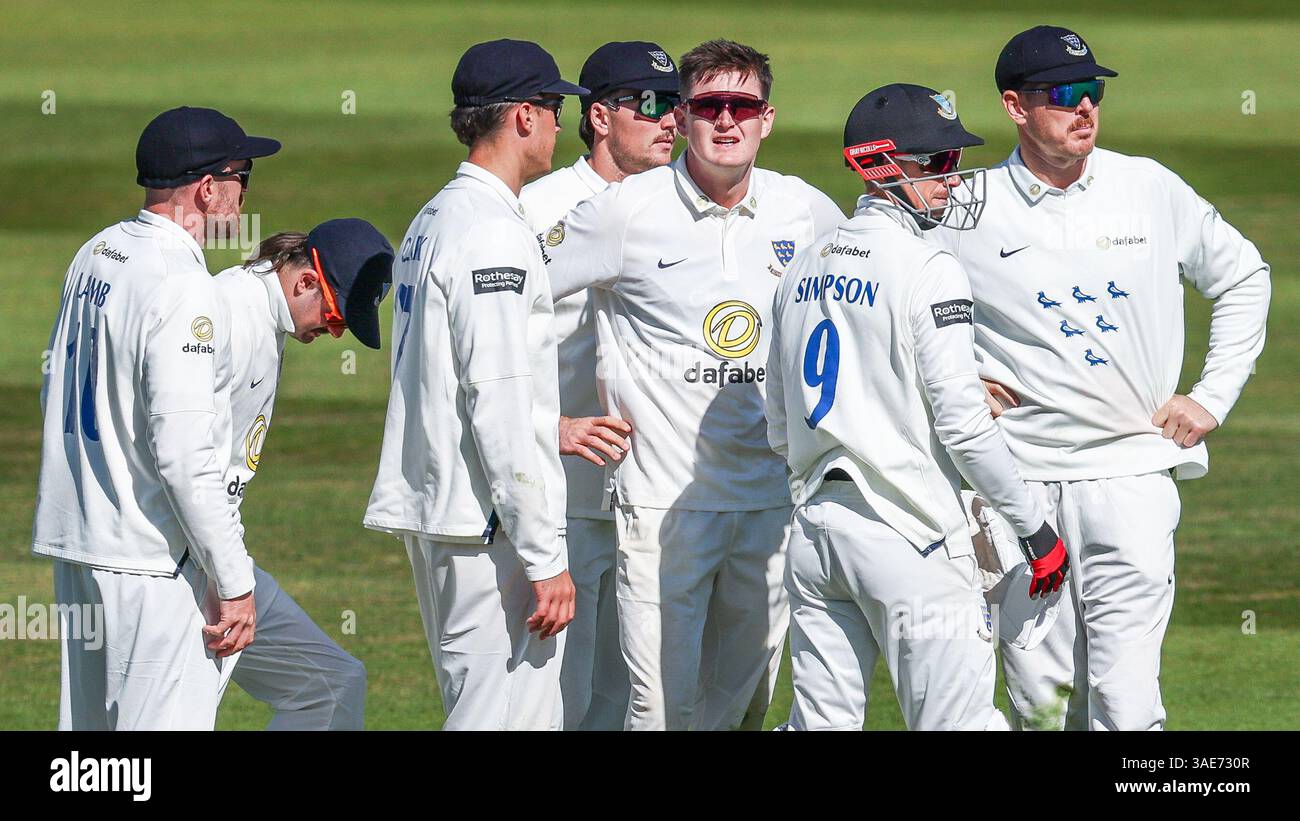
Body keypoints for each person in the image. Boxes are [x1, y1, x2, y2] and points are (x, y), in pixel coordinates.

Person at [934, 26, 1271, 731]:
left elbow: (1243, 277)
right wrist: (955, 376)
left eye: (1092, 92)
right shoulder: (965, 204)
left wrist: (1211, 397)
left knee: (1126, 701)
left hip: (1132, 478)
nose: (1084, 108)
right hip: (1015, 487)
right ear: (1015, 107)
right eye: (1062, 94)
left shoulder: (1147, 186)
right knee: (1041, 702)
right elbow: (888, 301)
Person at [543, 39, 844, 730]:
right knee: (662, 711)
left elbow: (871, 303)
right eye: (711, 106)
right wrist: (544, 418)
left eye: (744, 106)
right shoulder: (626, 211)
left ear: (768, 118)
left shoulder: (805, 211)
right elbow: (510, 300)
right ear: (683, 117)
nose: (728, 121)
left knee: (744, 707)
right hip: (661, 508)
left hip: (771, 503)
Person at [765, 83, 1068, 731]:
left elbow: (778, 424)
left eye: (953, 162)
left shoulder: (799, 269)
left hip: (815, 536)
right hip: (911, 536)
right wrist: (1036, 528)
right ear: (880, 166)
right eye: (936, 165)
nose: (952, 180)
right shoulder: (928, 267)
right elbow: (964, 423)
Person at [32, 106, 280, 729]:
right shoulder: (183, 284)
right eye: (243, 174)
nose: (246, 191)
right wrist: (234, 579)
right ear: (207, 187)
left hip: (78, 541)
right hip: (147, 560)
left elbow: (52, 387)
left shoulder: (97, 252)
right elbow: (185, 454)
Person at [364, 39, 586, 730]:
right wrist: (545, 554)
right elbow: (498, 399)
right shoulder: (491, 232)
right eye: (552, 107)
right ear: (522, 116)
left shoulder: (435, 215)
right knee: (503, 717)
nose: (559, 124)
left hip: (447, 510)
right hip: (485, 525)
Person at [519, 41, 679, 730]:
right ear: (600, 116)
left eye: (677, 104)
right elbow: (482, 342)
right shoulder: (536, 207)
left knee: (633, 701)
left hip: (657, 498)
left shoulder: (684, 207)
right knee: (557, 700)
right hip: (564, 499)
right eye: (650, 105)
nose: (669, 120)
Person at [213, 219, 393, 729]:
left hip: (213, 553)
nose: (332, 334)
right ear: (307, 281)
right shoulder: (231, 313)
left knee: (331, 685)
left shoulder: (263, 316)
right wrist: (231, 584)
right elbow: (186, 464)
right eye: (335, 317)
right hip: (181, 563)